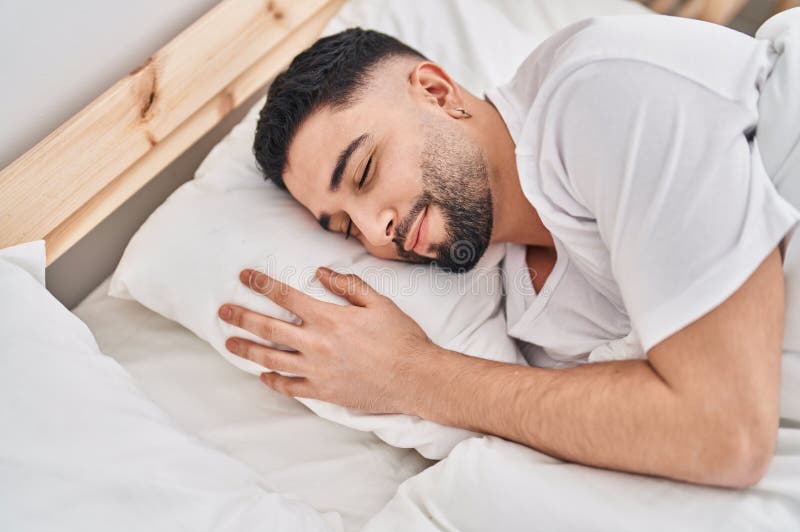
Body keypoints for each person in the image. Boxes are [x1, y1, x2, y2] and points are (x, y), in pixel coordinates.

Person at [217, 10, 800, 489]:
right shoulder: (535, 325)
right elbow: (673, 434)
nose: (375, 232)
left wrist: (409, 373)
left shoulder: (595, 92)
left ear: (437, 92)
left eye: (366, 171)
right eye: (345, 228)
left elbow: (725, 432)